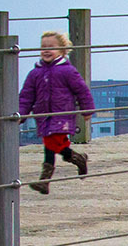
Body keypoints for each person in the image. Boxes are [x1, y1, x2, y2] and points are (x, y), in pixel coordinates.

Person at [17, 30, 94, 194]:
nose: (46, 51)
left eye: (51, 47)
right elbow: (26, 96)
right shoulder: (35, 73)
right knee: (53, 145)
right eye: (43, 47)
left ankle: (45, 180)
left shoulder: (67, 71)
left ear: (62, 50)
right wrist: (21, 114)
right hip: (43, 117)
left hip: (62, 115)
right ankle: (77, 159)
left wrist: (87, 109)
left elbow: (81, 90)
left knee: (52, 143)